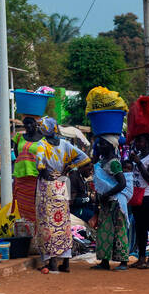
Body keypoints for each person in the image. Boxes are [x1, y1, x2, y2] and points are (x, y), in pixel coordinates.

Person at [33, 118, 90, 273]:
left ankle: (51, 262)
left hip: (47, 186)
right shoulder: (65, 144)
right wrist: (68, 167)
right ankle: (65, 263)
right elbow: (84, 157)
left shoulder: (41, 145)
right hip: (61, 184)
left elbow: (40, 166)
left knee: (47, 223)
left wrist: (45, 170)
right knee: (63, 222)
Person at [91, 137, 131, 270]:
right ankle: (104, 261)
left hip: (115, 202)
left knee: (119, 230)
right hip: (106, 202)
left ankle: (123, 261)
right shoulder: (102, 161)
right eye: (100, 143)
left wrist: (107, 194)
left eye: (104, 144)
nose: (100, 146)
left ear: (111, 145)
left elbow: (122, 183)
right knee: (104, 230)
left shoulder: (113, 162)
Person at [127, 132, 149, 269]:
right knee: (140, 228)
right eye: (136, 142)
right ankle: (141, 258)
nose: (137, 144)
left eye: (139, 142)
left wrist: (138, 162)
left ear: (146, 142)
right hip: (137, 196)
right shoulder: (140, 156)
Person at [12, 115, 47, 227]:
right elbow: (18, 155)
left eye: (31, 122)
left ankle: (37, 236)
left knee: (36, 207)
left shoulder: (44, 139)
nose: (28, 125)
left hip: (36, 178)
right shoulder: (18, 137)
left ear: (36, 123)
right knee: (23, 209)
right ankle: (26, 234)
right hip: (21, 179)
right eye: (26, 123)